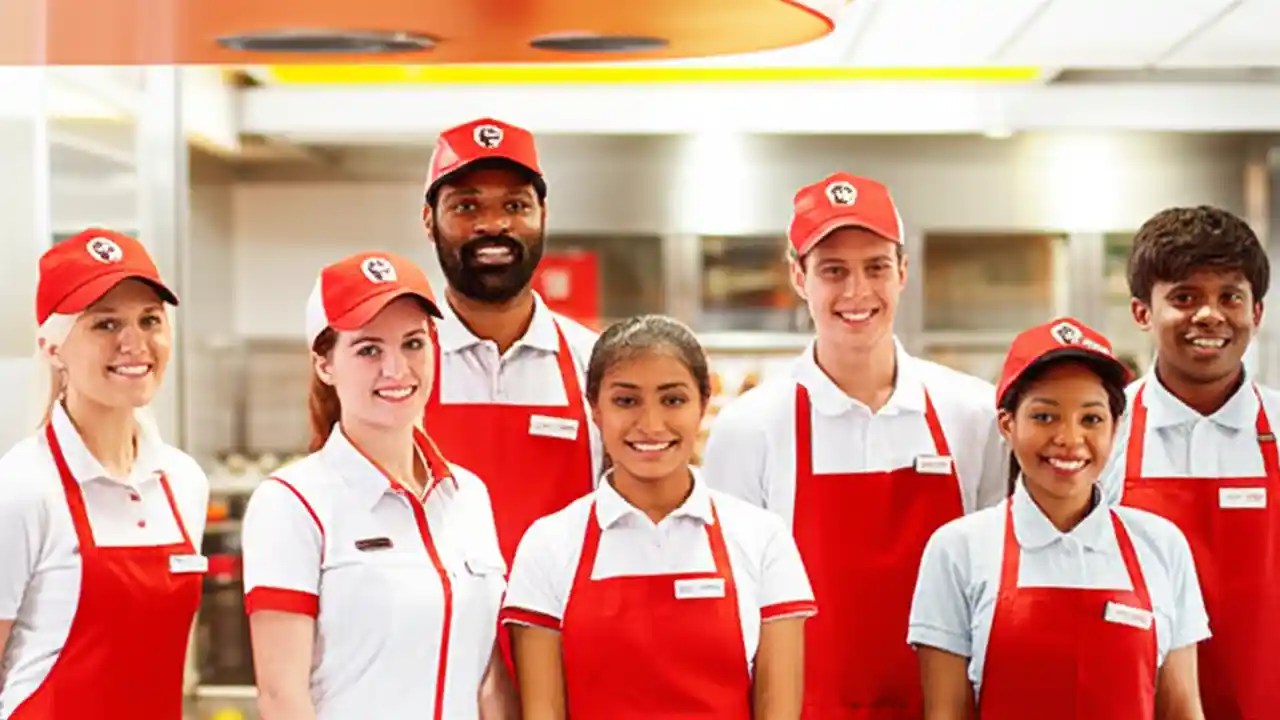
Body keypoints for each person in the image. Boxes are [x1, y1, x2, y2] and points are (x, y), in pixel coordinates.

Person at [701, 171, 1006, 718]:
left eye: (876, 268)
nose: (856, 292)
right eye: (833, 271)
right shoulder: (750, 428)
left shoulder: (973, 414)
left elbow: (995, 588)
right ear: (798, 276)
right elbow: (734, 612)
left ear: (904, 271)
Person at [240, 251, 516, 719]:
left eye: (413, 343)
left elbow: (489, 679)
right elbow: (282, 697)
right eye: (369, 349)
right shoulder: (291, 503)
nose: (397, 369)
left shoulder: (468, 496)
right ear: (325, 365)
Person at [501, 315, 817, 720]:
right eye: (626, 401)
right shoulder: (548, 544)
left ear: (704, 403)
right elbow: (542, 712)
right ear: (594, 408)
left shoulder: (762, 538)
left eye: (673, 400)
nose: (651, 425)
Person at [909, 316, 1209, 719]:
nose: (1069, 439)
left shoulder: (1161, 546)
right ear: (1007, 424)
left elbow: (1183, 709)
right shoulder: (958, 549)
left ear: (1116, 428)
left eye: (1091, 419)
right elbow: (946, 714)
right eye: (1044, 416)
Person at [0, 228, 209, 718]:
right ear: (52, 349)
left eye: (149, 320)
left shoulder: (183, 482)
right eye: (105, 325)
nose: (135, 343)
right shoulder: (22, 488)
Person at [1099, 205, 1276, 718]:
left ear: (1257, 313)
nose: (1209, 315)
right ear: (1142, 313)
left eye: (1230, 297)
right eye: (1184, 297)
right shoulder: (1104, 435)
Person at [420, 116, 601, 569]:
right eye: (466, 207)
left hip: (563, 630)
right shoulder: (397, 367)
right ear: (429, 221)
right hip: (435, 634)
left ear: (544, 217)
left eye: (516, 206)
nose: (493, 225)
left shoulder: (595, 362)